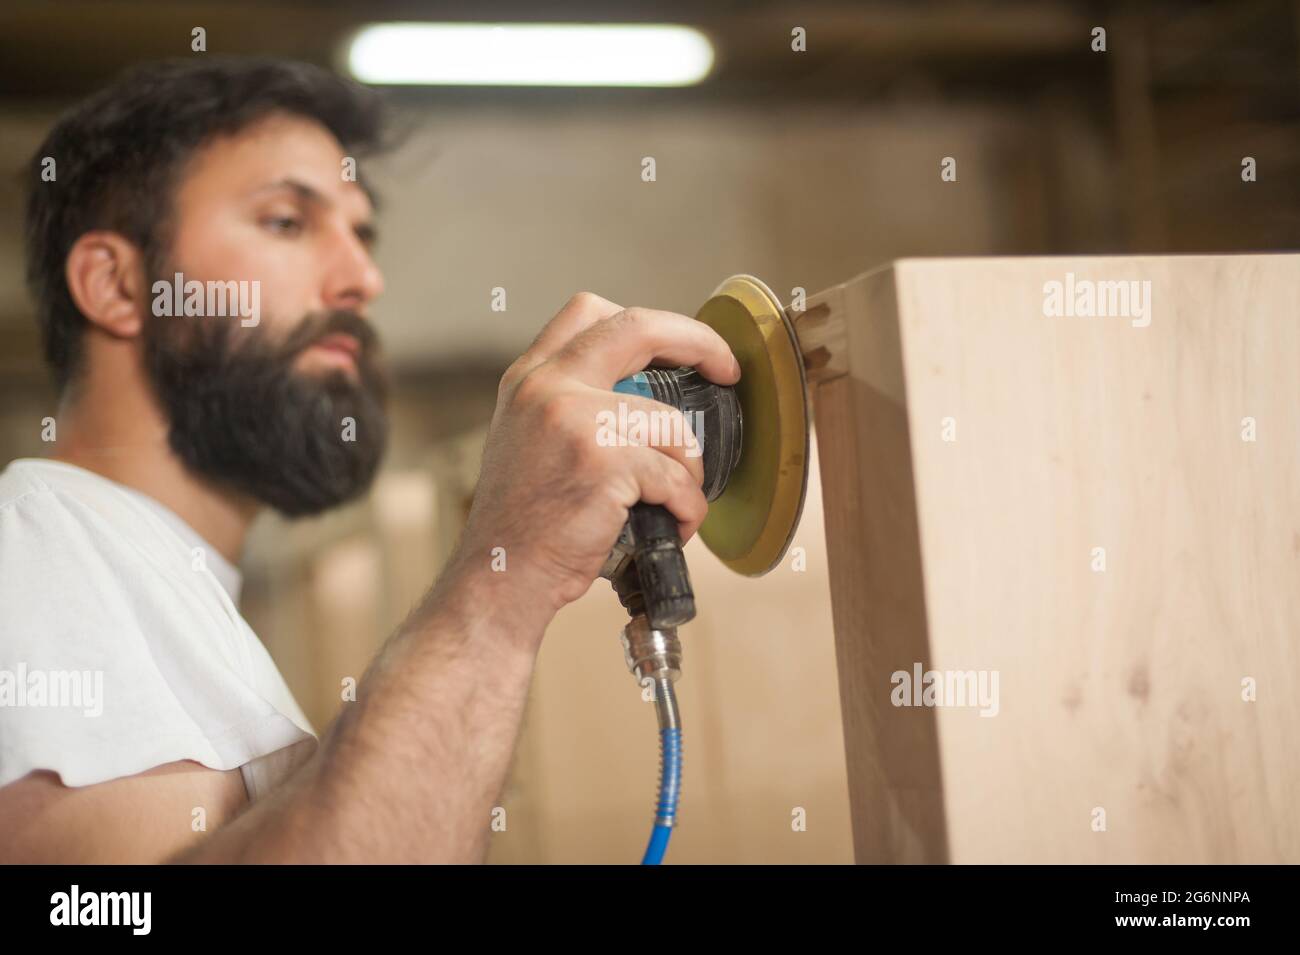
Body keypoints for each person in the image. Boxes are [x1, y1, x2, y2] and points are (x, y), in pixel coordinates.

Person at [0, 57, 737, 862]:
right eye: (287, 220)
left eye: (361, 232)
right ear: (115, 284)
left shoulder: (141, 584)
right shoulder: (37, 556)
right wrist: (504, 580)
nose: (362, 276)